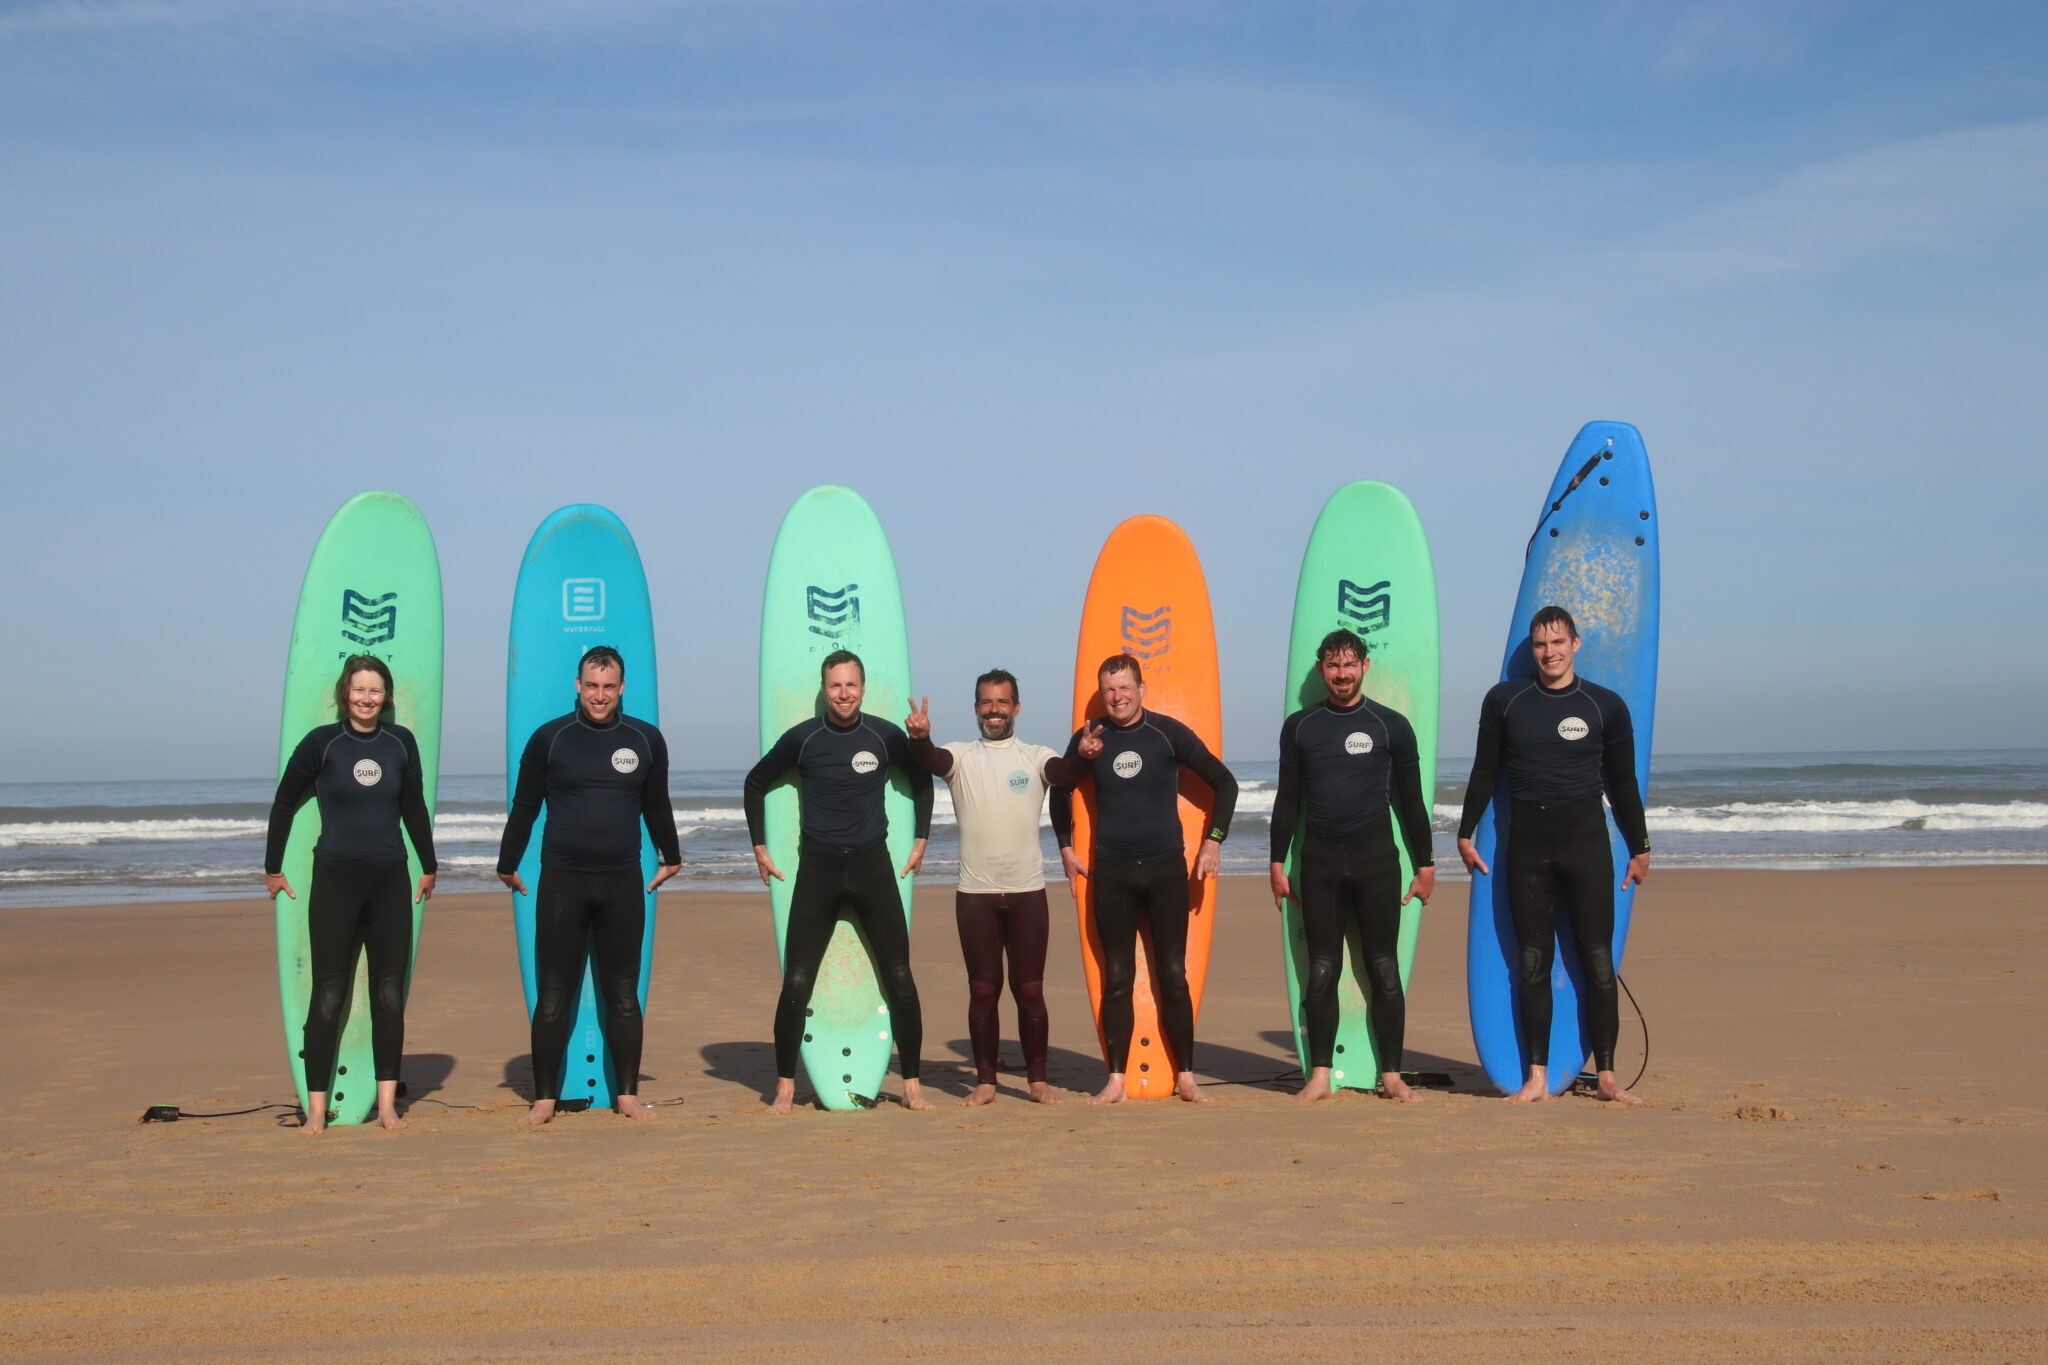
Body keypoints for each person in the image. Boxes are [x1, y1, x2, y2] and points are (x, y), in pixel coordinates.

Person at [1456, 605, 1651, 1105]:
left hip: (1587, 846)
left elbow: (1623, 783)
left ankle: (1607, 1077)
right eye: (1542, 644)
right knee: (1532, 962)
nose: (1550, 653)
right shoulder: (1506, 701)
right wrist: (1465, 830)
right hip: (1529, 849)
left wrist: (1640, 846)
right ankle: (1537, 1077)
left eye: (1559, 642)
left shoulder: (1605, 706)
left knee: (1598, 962)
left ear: (1575, 644)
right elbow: (1484, 771)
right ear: (1534, 648)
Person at [744, 649, 936, 1114]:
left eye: (851, 685)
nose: (844, 693)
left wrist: (921, 839)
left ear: (863, 688)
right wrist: (760, 848)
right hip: (818, 870)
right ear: (824, 689)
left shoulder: (885, 736)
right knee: (796, 983)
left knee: (901, 980)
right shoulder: (803, 740)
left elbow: (923, 781)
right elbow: (755, 783)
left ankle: (912, 1086)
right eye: (835, 685)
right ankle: (785, 1088)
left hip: (873, 868)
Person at [498, 645, 681, 1125]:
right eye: (592, 686)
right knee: (555, 996)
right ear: (578, 686)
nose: (600, 696)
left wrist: (673, 855)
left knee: (622, 995)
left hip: (622, 882)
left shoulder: (646, 740)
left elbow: (656, 806)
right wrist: (506, 862)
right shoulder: (549, 739)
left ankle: (626, 1095)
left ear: (621, 689)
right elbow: (524, 806)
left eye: (609, 687)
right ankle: (543, 1099)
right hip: (563, 883)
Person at [1049, 653, 1238, 1104]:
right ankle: (1116, 1078)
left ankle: (1187, 1076)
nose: (1117, 697)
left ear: (1141, 689)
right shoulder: (1090, 738)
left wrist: (1212, 842)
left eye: (1124, 687)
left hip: (1165, 869)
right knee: (1116, 976)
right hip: (1111, 872)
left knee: (1172, 975)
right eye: (1109, 690)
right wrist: (1066, 847)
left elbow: (1224, 783)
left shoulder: (1166, 733)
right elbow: (1061, 786)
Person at [264, 654, 437, 1133]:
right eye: (359, 690)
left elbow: (414, 809)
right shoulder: (322, 744)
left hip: (389, 879)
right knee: (328, 995)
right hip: (336, 881)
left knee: (389, 996)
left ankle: (386, 1107)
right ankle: (316, 1111)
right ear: (346, 692)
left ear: (386, 696)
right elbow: (284, 802)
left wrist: (430, 865)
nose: (367, 699)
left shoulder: (401, 743)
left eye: (376, 691)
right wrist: (272, 867)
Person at [904, 669, 1091, 1105]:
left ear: (1016, 708)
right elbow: (931, 761)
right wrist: (919, 738)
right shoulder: (961, 756)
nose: (994, 710)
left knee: (1030, 990)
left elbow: (1065, 775)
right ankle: (986, 1082)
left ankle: (1038, 1082)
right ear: (976, 709)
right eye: (986, 703)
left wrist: (1085, 756)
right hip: (975, 894)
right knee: (983, 989)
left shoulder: (1035, 756)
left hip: (1027, 891)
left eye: (1002, 702)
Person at [1269, 629, 1436, 1104]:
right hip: (1318, 862)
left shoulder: (1391, 726)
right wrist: (1277, 860)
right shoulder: (1301, 727)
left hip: (1376, 861)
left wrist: (1425, 863)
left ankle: (1392, 1075)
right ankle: (1320, 1075)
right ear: (1322, 668)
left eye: (1349, 665)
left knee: (1384, 970)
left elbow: (1410, 802)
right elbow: (1287, 801)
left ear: (1365, 666)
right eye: (1332, 665)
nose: (1341, 674)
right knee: (1320, 972)